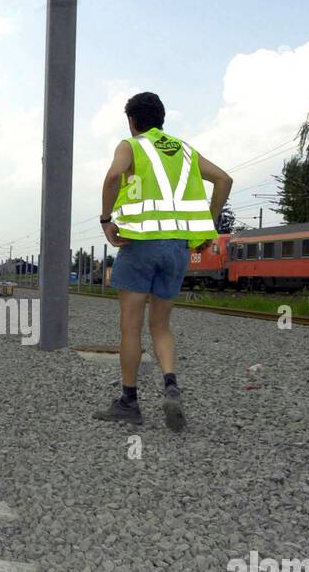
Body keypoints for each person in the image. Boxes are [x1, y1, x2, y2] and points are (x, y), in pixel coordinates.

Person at [95, 91, 232, 430]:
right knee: (161, 326)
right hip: (177, 250)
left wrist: (106, 220)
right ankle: (171, 386)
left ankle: (129, 401)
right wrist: (206, 226)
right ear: (162, 119)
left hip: (140, 245)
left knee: (131, 326)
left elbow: (113, 177)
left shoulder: (131, 146)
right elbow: (224, 180)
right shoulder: (184, 151)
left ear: (132, 121)